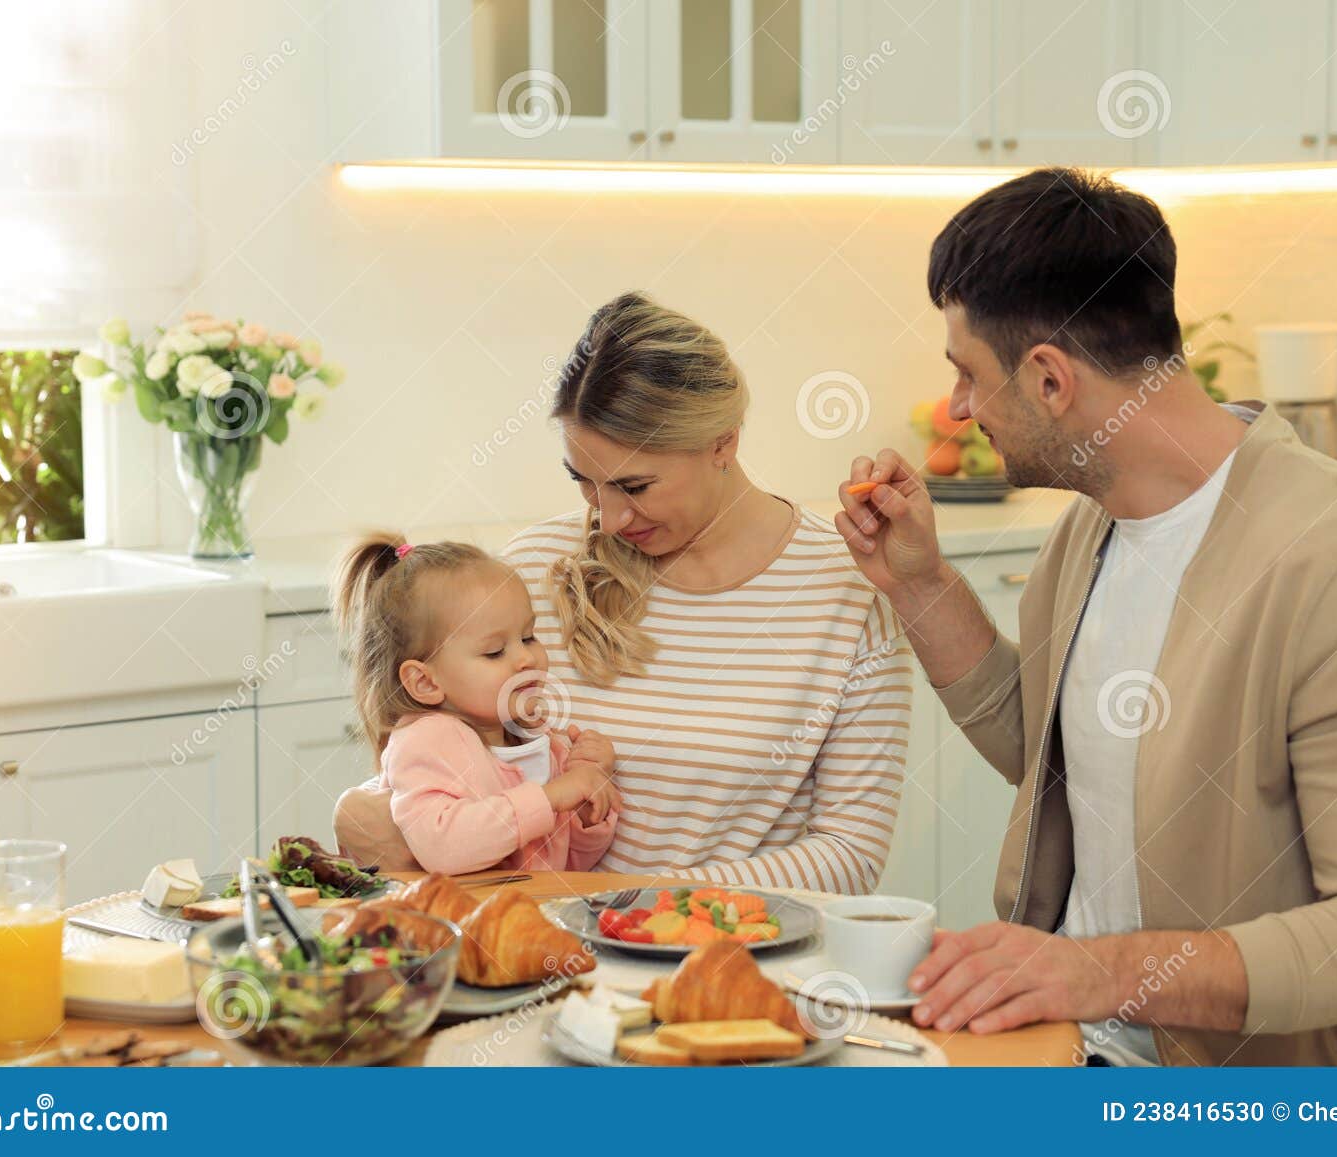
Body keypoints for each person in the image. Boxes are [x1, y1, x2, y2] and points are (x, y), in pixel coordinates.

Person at [837, 167, 1337, 1065]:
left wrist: (1102, 972)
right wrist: (919, 582)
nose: (961, 409)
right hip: (1069, 1049)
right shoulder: (1093, 525)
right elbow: (1051, 751)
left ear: (1051, 379)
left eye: (969, 375)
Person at [502, 292, 912, 893]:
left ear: (724, 441)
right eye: (583, 482)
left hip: (737, 959)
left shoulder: (846, 591)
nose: (608, 518)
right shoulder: (530, 571)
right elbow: (446, 781)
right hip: (550, 958)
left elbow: (849, 854)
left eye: (635, 485)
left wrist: (647, 907)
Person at [329, 535, 619, 876]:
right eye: (494, 652)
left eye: (528, 637)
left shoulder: (539, 741)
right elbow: (444, 848)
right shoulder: (427, 741)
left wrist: (586, 808)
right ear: (425, 682)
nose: (526, 657)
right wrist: (552, 797)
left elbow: (561, 867)